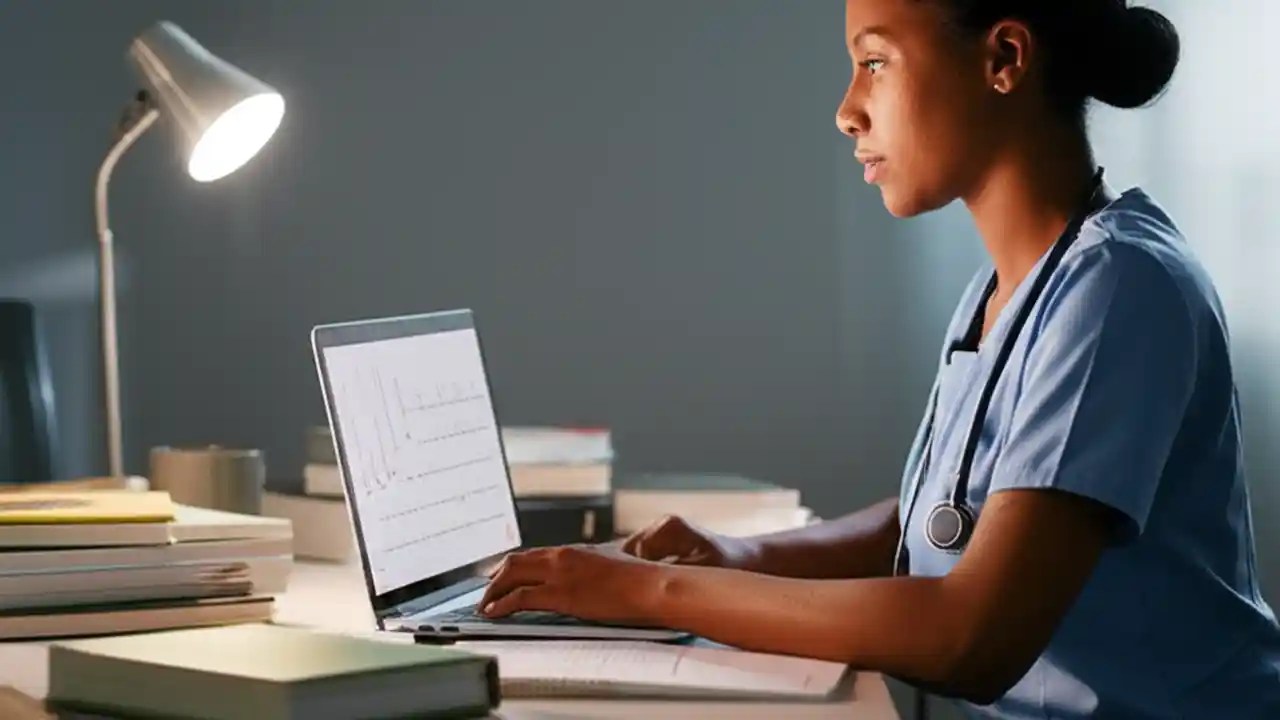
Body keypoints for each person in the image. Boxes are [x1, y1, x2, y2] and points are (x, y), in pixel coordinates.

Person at [480, 1, 1280, 716]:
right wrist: (741, 556)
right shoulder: (1009, 287)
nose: (846, 111)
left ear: (1004, 58)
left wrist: (652, 592)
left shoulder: (1119, 288)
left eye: (874, 62)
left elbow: (971, 637)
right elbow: (946, 515)